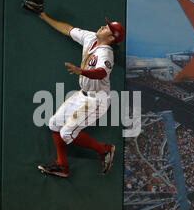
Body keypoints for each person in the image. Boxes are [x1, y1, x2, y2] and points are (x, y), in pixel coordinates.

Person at [33, 11, 125, 178]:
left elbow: (100, 73)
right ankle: (62, 166)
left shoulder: (106, 53)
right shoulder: (91, 38)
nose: (104, 26)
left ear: (111, 38)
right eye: (106, 24)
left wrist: (80, 71)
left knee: (67, 133)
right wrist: (44, 16)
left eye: (108, 28)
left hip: (98, 100)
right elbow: (67, 29)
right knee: (54, 123)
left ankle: (104, 150)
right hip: (83, 95)